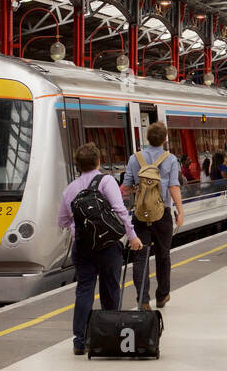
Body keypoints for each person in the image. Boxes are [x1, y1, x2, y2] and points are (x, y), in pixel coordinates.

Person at [58, 143, 143, 355]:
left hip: (83, 247)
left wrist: (79, 228)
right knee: (110, 288)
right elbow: (120, 210)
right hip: (107, 246)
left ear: (77, 165)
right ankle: (110, 334)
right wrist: (132, 236)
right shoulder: (106, 181)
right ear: (98, 162)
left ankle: (79, 340)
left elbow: (61, 221)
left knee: (85, 290)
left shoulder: (70, 189)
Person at [121, 122, 184, 311]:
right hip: (162, 213)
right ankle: (162, 295)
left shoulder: (135, 158)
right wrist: (180, 211)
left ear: (147, 139)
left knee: (141, 257)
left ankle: (143, 300)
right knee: (163, 255)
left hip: (140, 214)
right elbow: (174, 186)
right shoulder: (171, 159)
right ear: (165, 139)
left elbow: (125, 187)